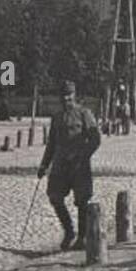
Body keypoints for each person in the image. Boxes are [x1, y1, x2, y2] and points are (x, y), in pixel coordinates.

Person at [37, 81, 101, 251]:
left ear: (74, 95)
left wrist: (83, 155)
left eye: (69, 95)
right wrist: (44, 165)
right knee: (54, 196)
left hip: (79, 166)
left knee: (82, 200)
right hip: (60, 165)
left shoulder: (84, 114)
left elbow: (95, 139)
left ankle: (82, 237)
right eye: (63, 96)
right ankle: (69, 231)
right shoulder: (57, 117)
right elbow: (51, 144)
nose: (66, 99)